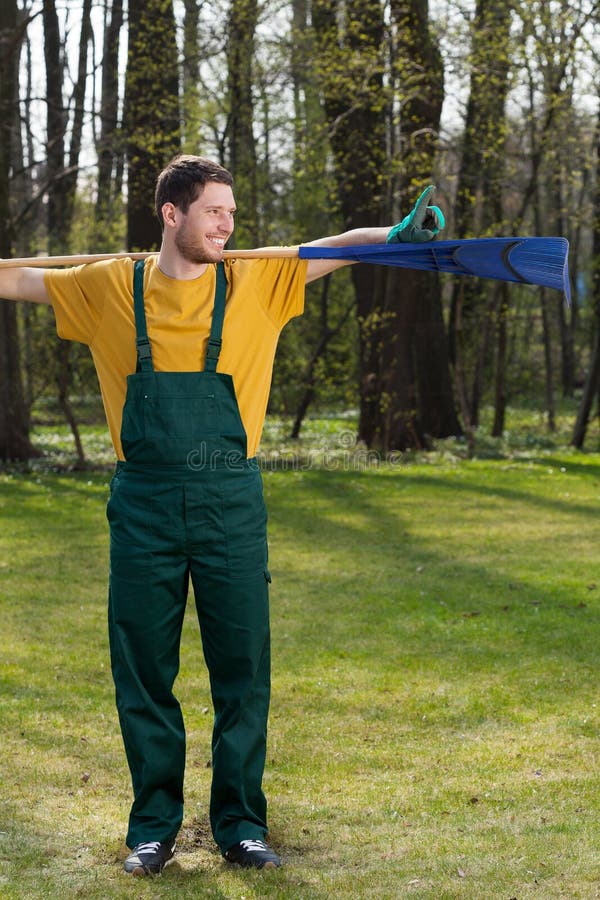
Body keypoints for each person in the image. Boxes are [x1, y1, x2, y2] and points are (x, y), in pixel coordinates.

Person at [0, 155, 443, 876]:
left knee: (243, 668)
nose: (227, 225)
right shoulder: (109, 285)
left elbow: (341, 247)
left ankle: (241, 826)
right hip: (143, 503)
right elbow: (17, 280)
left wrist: (395, 234)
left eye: (231, 213)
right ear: (171, 214)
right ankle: (153, 829)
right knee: (142, 670)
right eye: (213, 211)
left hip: (230, 502)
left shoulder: (258, 280)